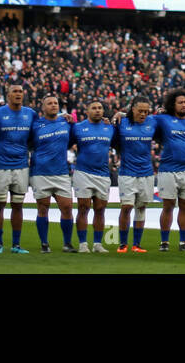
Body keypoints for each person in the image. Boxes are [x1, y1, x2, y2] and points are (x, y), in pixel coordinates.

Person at [0, 83, 35, 254]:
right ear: (8, 95)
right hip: (1, 166)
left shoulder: (30, 114)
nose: (18, 94)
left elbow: (37, 132)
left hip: (21, 166)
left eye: (20, 91)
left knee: (18, 206)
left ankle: (16, 244)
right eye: (14, 91)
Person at [153, 88, 185, 251]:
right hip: (168, 169)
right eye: (180, 102)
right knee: (168, 206)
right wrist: (120, 115)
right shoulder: (162, 119)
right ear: (172, 105)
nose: (184, 105)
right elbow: (141, 119)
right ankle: (164, 243)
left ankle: (183, 242)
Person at [29, 94, 74, 254]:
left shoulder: (66, 122)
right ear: (43, 107)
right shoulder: (35, 125)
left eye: (56, 103)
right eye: (49, 103)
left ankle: (67, 243)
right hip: (40, 172)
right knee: (43, 208)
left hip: (61, 172)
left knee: (67, 207)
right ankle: (44, 244)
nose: (53, 105)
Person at [113, 95, 156, 253]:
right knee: (126, 207)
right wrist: (120, 114)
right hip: (127, 173)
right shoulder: (122, 123)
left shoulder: (152, 122)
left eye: (146, 111)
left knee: (141, 207)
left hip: (146, 173)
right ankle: (122, 244)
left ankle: (136, 244)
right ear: (133, 109)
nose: (143, 114)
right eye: (140, 111)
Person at [70, 99, 114, 254]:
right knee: (83, 208)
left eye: (100, 108)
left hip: (102, 174)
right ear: (87, 110)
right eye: (94, 108)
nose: (97, 110)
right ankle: (83, 244)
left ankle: (97, 244)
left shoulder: (110, 128)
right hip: (83, 173)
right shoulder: (78, 128)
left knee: (100, 209)